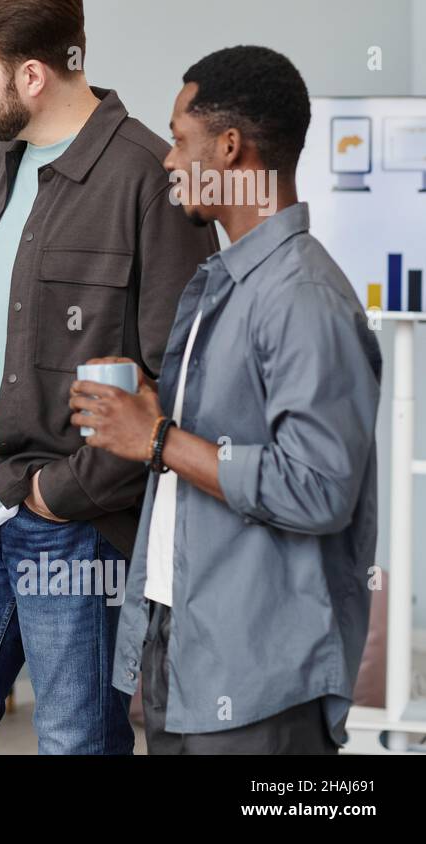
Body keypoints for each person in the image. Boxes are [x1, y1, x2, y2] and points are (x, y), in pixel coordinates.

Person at [0, 0, 218, 754]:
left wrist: (60, 492)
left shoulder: (147, 178)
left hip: (68, 525)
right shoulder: (2, 159)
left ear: (31, 75)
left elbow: (180, 376)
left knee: (76, 743)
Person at [73, 46, 380, 753]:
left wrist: (156, 440)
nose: (169, 160)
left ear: (232, 148)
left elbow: (319, 488)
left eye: (181, 140)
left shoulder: (302, 297)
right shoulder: (221, 282)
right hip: (186, 644)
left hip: (262, 676)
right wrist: (149, 414)